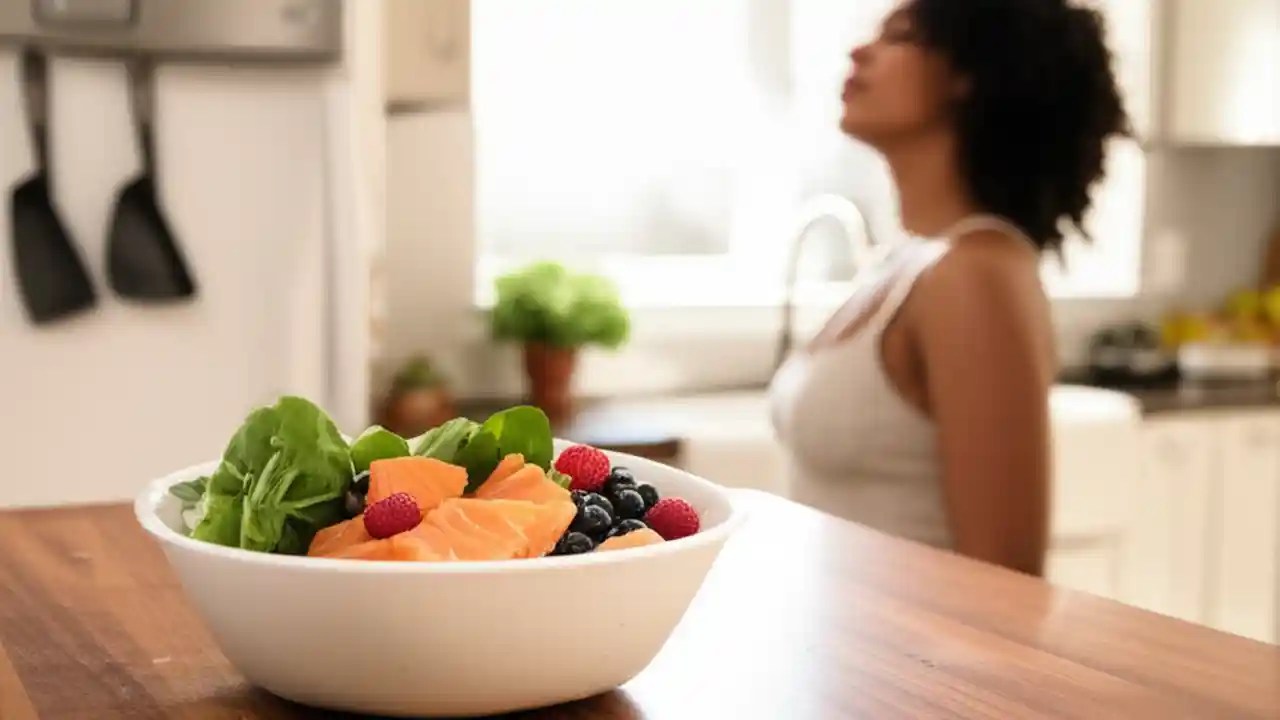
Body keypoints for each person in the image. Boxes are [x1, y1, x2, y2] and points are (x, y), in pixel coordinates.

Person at [769, 0, 1129, 575]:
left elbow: (1007, 579)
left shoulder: (976, 276)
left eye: (902, 37)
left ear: (971, 74)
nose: (861, 50)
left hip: (897, 661)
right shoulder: (904, 264)